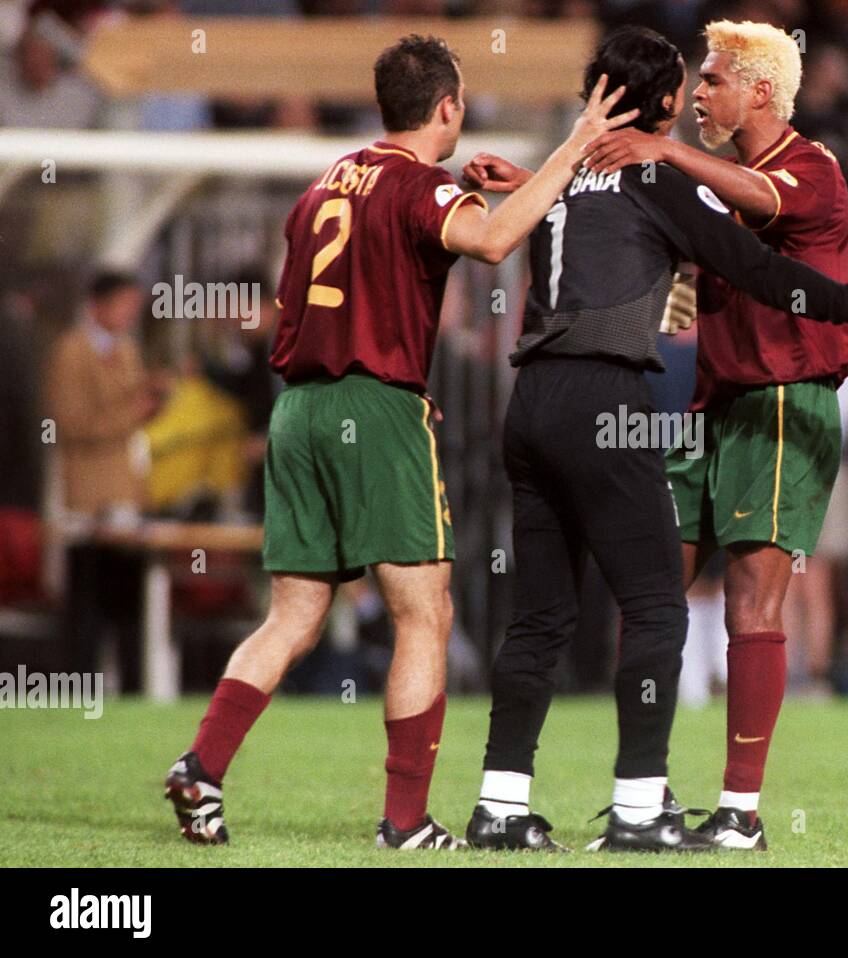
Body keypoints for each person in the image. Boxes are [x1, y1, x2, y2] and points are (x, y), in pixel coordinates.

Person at [460, 25, 848, 853]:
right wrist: (560, 175)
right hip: (708, 403)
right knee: (657, 591)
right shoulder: (677, 179)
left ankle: (737, 811)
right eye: (692, 86)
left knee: (748, 604)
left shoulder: (810, 168)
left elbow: (752, 226)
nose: (700, 95)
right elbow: (641, 215)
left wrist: (648, 151)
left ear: (760, 93)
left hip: (781, 400)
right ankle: (643, 796)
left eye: (716, 82)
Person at [163, 33, 639, 851]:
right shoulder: (421, 186)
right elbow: (492, 242)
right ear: (448, 108)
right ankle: (407, 820)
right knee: (425, 612)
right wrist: (570, 151)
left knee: (294, 612)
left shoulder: (319, 188)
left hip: (298, 408)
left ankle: (202, 766)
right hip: (374, 406)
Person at [45, 271, 151, 691]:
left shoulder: (127, 349)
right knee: (86, 607)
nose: (129, 314)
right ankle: (77, 693)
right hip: (86, 499)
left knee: (126, 604)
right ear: (97, 305)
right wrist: (136, 411)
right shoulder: (71, 352)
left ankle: (131, 693)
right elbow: (69, 424)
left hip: (126, 495)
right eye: (123, 304)